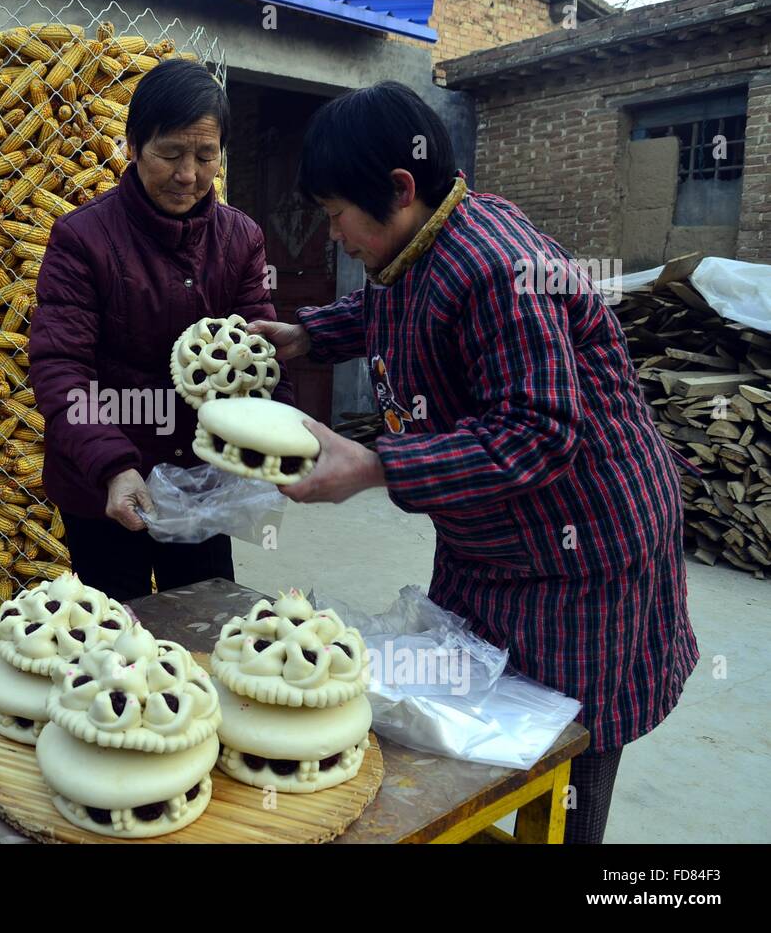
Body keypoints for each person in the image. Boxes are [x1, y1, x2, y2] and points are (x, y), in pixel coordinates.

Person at [251, 81, 699, 843]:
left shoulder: (497, 266)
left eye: (336, 216)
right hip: (492, 535)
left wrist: (375, 464)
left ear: (399, 188)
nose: (332, 236)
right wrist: (309, 335)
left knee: (562, 743)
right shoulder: (421, 243)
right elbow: (387, 307)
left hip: (584, 549)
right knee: (473, 720)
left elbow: (540, 429)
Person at [29, 59, 292, 602]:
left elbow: (260, 351)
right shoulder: (83, 238)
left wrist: (280, 439)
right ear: (130, 146)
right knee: (115, 639)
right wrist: (112, 466)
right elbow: (62, 368)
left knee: (204, 618)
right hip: (102, 482)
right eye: (170, 154)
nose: (189, 175)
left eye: (205, 156)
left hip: (201, 477)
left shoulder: (240, 238)